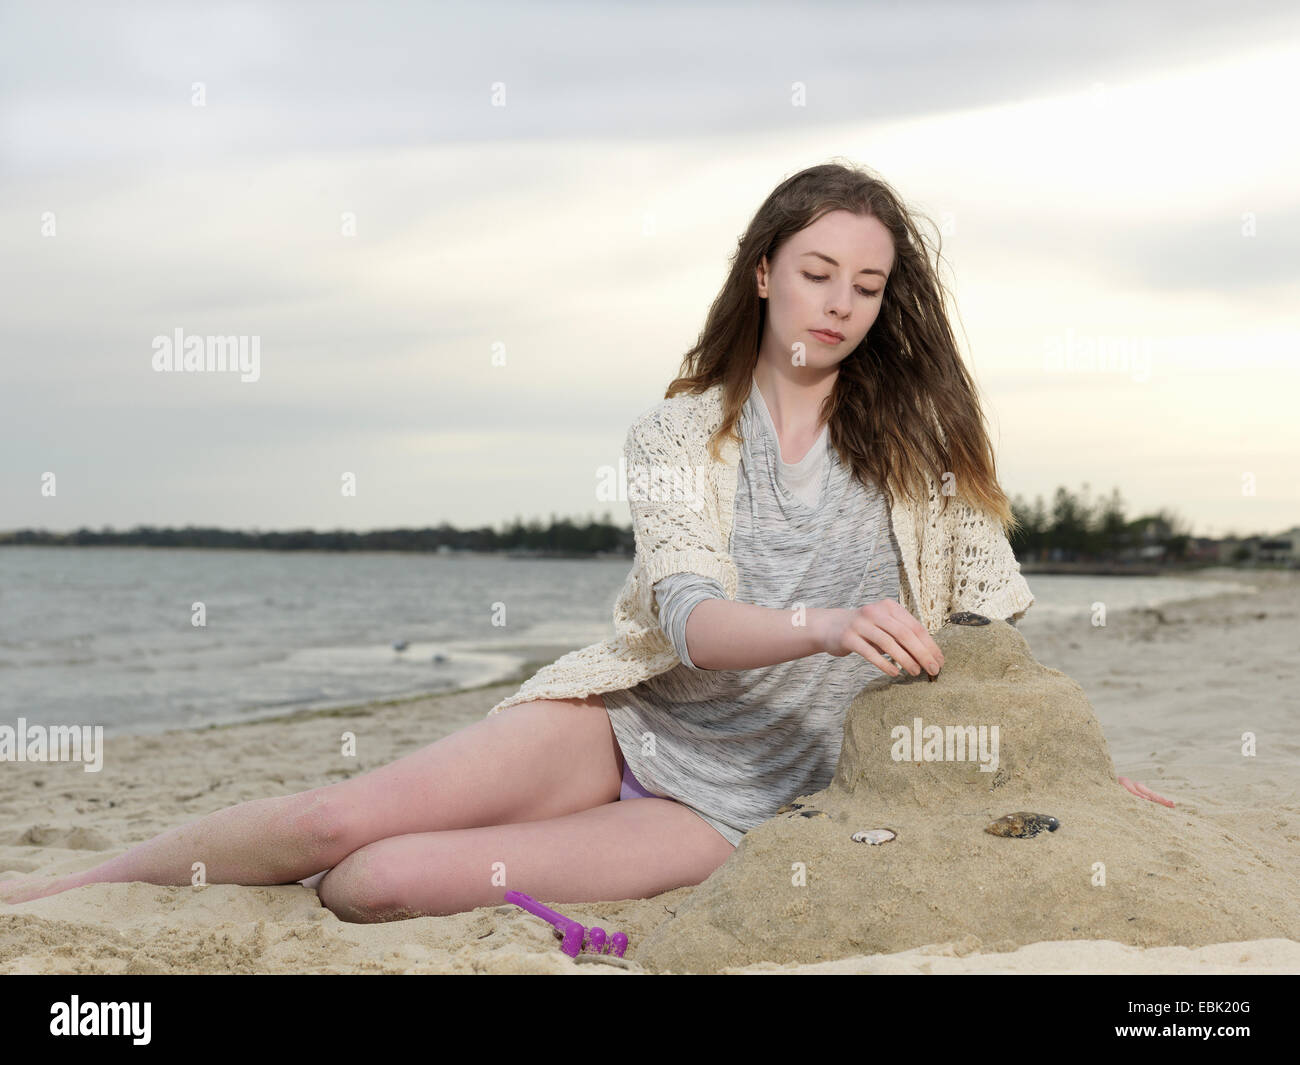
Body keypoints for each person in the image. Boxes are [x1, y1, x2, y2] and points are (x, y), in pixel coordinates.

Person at [0, 162, 1170, 920]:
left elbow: (991, 646)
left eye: (865, 286)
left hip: (740, 810)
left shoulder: (917, 451)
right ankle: (73, 883)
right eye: (816, 271)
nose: (838, 303)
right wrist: (823, 624)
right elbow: (694, 628)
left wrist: (1077, 768)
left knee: (370, 886)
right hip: (630, 726)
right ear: (761, 273)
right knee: (329, 823)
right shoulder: (679, 435)